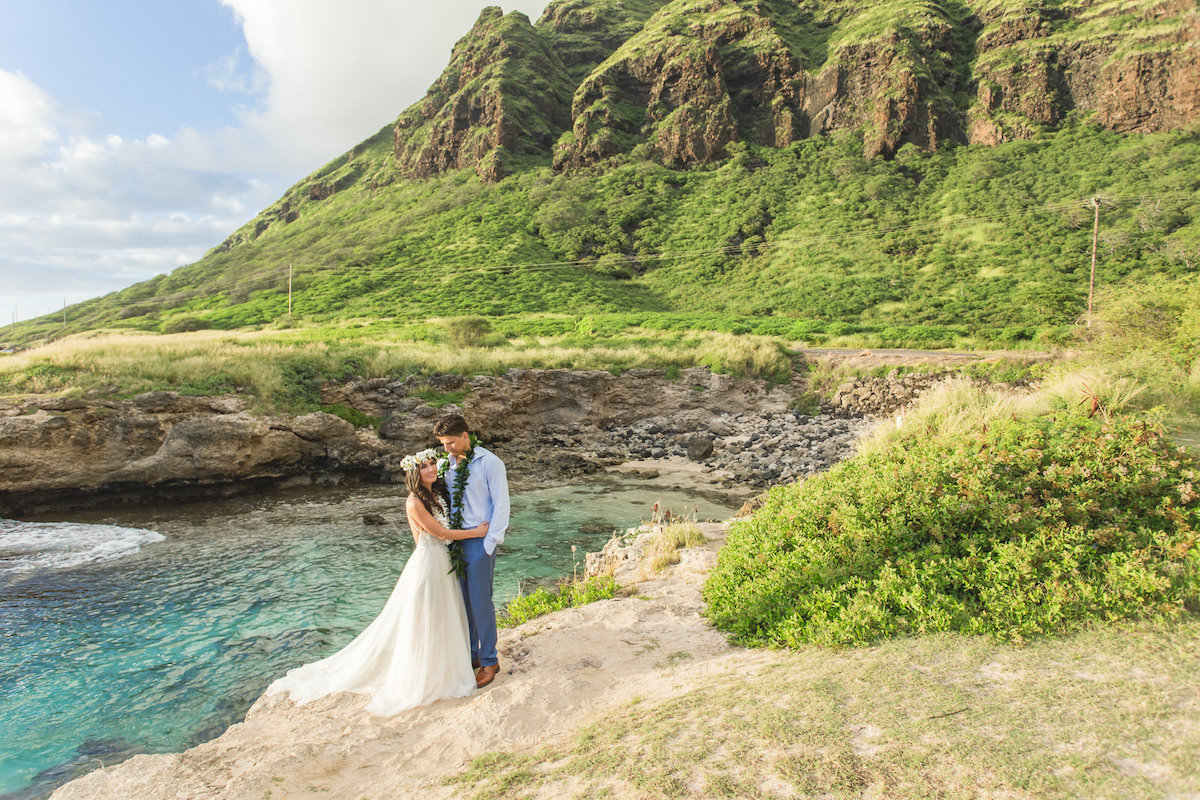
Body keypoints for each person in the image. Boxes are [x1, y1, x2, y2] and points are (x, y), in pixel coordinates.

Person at [265, 448, 487, 716]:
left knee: (445, 615)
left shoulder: (438, 493)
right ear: (414, 473)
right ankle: (427, 673)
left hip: (443, 562)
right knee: (427, 617)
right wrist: (475, 532)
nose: (430, 469)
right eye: (424, 467)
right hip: (429, 563)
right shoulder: (414, 502)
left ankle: (450, 664)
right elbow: (437, 532)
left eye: (431, 464)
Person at [434, 413, 509, 689]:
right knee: (462, 603)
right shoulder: (445, 464)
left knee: (480, 603)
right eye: (443, 444)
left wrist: (489, 544)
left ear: (466, 436)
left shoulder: (490, 463)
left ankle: (490, 661)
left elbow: (502, 505)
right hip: (455, 541)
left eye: (451, 443)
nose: (447, 449)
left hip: (480, 542)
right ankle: (472, 656)